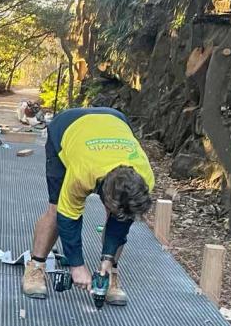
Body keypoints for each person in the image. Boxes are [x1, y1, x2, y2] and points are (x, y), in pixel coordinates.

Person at [22, 106, 155, 303]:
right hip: (66, 127)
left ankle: (109, 273)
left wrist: (107, 260)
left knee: (120, 216)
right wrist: (77, 266)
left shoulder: (145, 178)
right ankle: (35, 267)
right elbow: (68, 218)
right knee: (57, 208)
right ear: (104, 195)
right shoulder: (82, 174)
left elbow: (122, 223)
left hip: (114, 121)